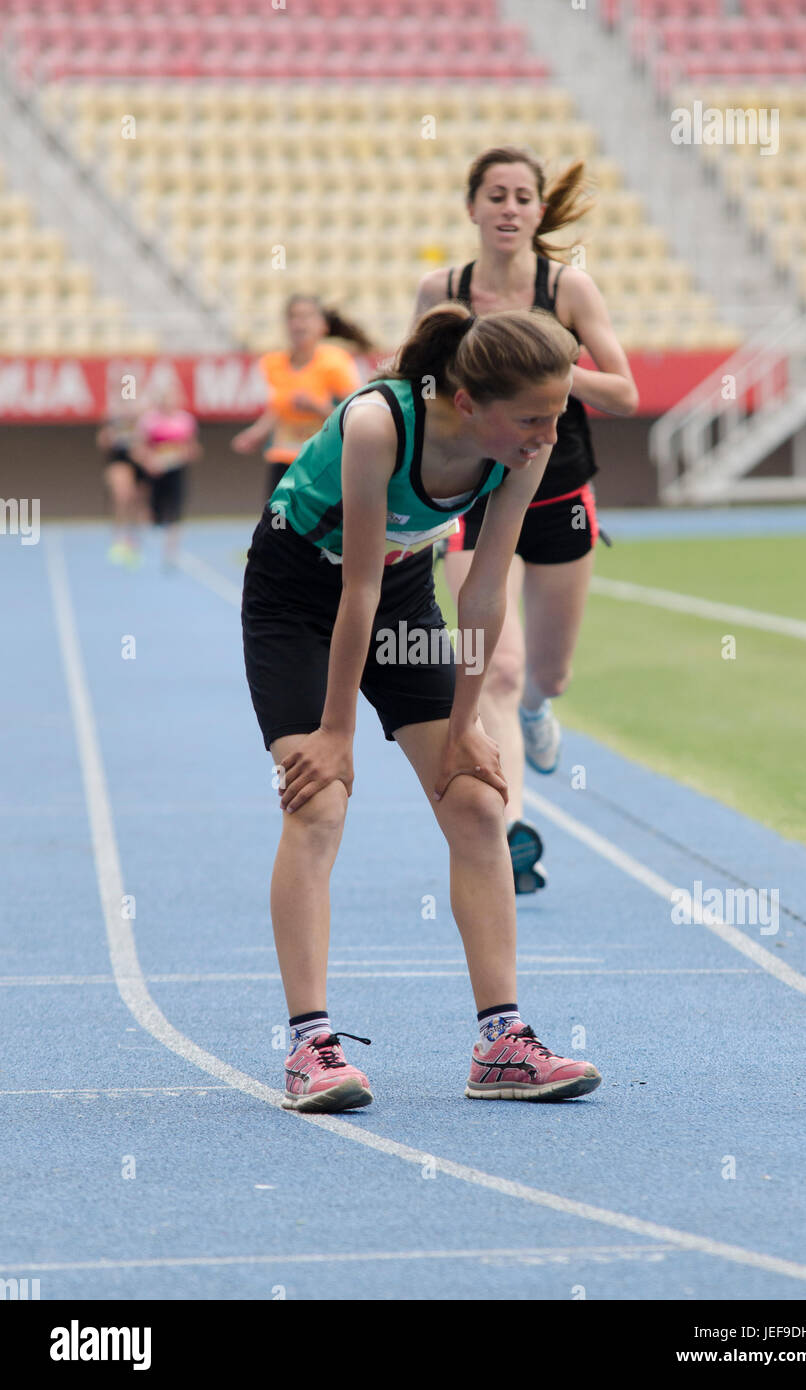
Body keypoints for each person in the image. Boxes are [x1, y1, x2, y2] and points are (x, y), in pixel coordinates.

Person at [241, 302, 604, 1112]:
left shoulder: (522, 454)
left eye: (556, 416)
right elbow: (351, 588)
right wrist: (337, 733)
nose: (547, 436)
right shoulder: (377, 424)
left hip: (401, 597)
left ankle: (501, 1043)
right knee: (319, 801)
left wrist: (467, 723)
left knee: (476, 800)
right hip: (298, 599)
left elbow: (479, 592)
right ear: (469, 403)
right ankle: (308, 1045)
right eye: (533, 418)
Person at [414, 147, 638, 893]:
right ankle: (508, 834)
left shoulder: (566, 287)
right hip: (472, 498)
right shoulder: (441, 291)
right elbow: (416, 389)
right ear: (471, 208)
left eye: (521, 197)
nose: (508, 208)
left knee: (544, 673)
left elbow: (625, 395)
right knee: (495, 668)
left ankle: (542, 709)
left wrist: (544, 367)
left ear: (539, 212)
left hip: (558, 491)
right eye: (494, 195)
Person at [231, 295, 371, 500]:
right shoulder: (272, 364)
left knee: (318, 528)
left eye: (306, 316)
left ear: (322, 325)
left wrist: (317, 408)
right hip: (283, 460)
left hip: (321, 462)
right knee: (277, 525)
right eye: (293, 317)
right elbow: (277, 409)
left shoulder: (336, 362)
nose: (298, 323)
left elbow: (356, 415)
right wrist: (257, 433)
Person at [133, 384, 201, 569]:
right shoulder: (148, 421)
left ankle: (171, 553)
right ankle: (138, 547)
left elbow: (193, 449)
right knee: (150, 511)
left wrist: (178, 456)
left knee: (175, 511)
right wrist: (149, 462)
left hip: (176, 472)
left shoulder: (185, 420)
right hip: (154, 472)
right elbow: (138, 449)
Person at [97, 399, 148, 568]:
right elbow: (103, 442)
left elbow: (148, 440)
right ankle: (117, 539)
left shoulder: (143, 415)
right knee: (122, 496)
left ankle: (133, 539)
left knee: (137, 500)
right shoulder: (112, 415)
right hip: (119, 460)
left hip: (138, 461)